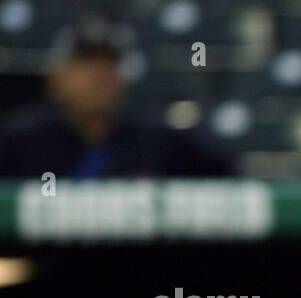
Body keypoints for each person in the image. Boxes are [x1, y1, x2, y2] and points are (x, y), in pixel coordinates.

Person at [0, 18, 233, 179]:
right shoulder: (19, 142)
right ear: (57, 78)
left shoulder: (161, 141)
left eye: (110, 64)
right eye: (86, 64)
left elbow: (229, 183)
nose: (100, 76)